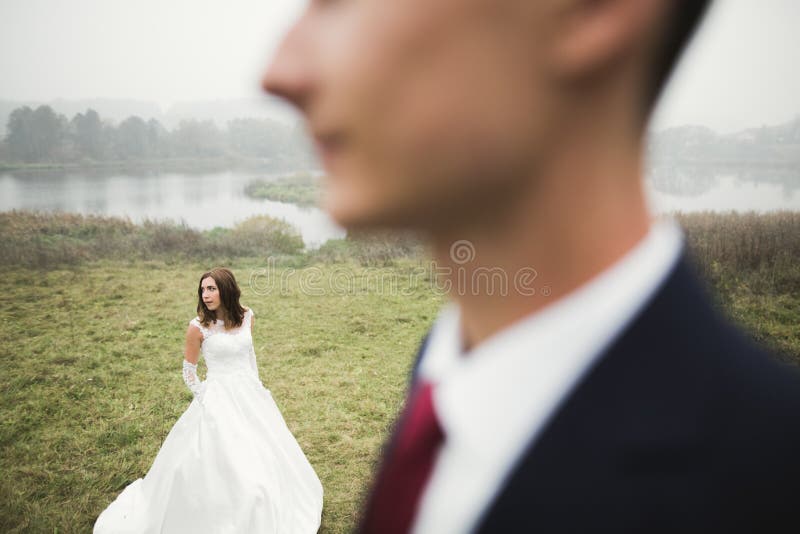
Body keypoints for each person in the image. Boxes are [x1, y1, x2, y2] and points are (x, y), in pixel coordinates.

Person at [262, 0, 800, 532]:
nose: (279, 72)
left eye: (340, 3)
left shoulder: (770, 487)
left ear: (592, 9)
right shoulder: (447, 366)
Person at [94, 267, 323, 533]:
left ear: (226, 289)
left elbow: (250, 356)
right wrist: (206, 400)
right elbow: (188, 372)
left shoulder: (248, 316)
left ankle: (275, 497)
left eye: (211, 288)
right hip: (216, 396)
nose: (205, 294)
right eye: (203, 289)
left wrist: (258, 386)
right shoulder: (197, 328)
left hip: (248, 393)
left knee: (264, 448)